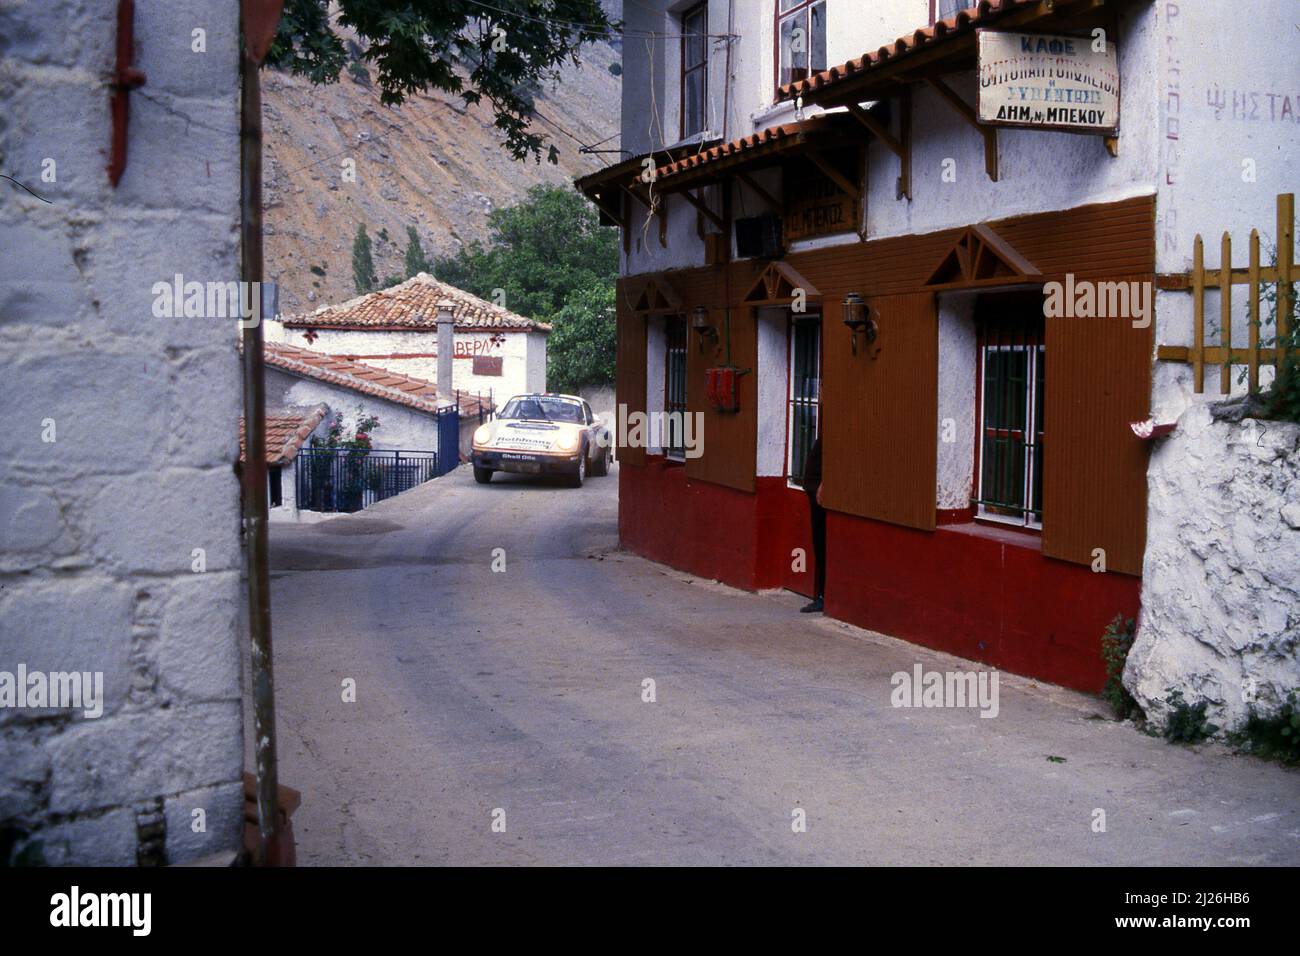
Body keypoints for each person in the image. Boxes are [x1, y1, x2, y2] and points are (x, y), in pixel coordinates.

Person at [801, 431, 825, 613]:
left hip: (820, 495)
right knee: (819, 544)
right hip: (814, 490)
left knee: (822, 544)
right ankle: (821, 595)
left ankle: (823, 596)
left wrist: (824, 484)